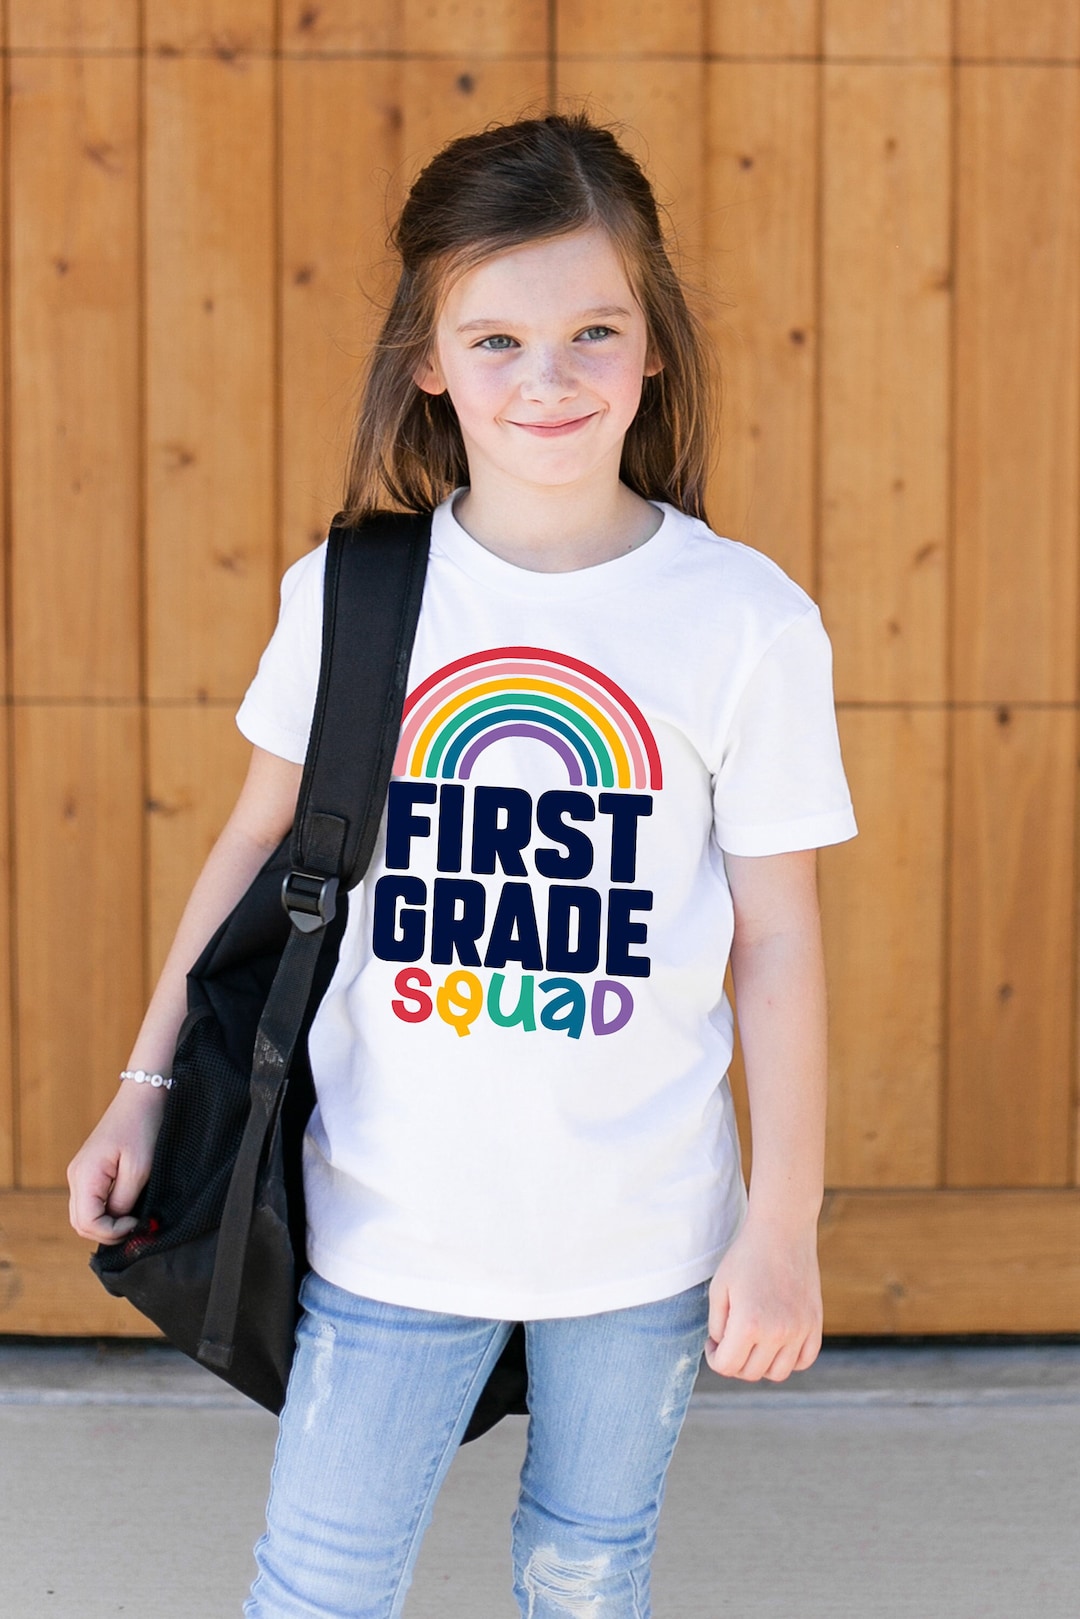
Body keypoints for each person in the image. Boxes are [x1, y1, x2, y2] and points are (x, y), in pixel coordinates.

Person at [68, 112, 857, 1618]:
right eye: (493, 338)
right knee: (318, 1581)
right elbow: (254, 843)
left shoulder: (745, 621)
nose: (546, 378)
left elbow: (780, 942)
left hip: (641, 1237)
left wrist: (784, 1225)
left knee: (587, 1567)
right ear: (427, 358)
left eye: (592, 331)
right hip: (386, 1217)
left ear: (655, 347)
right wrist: (144, 1082)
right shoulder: (359, 594)